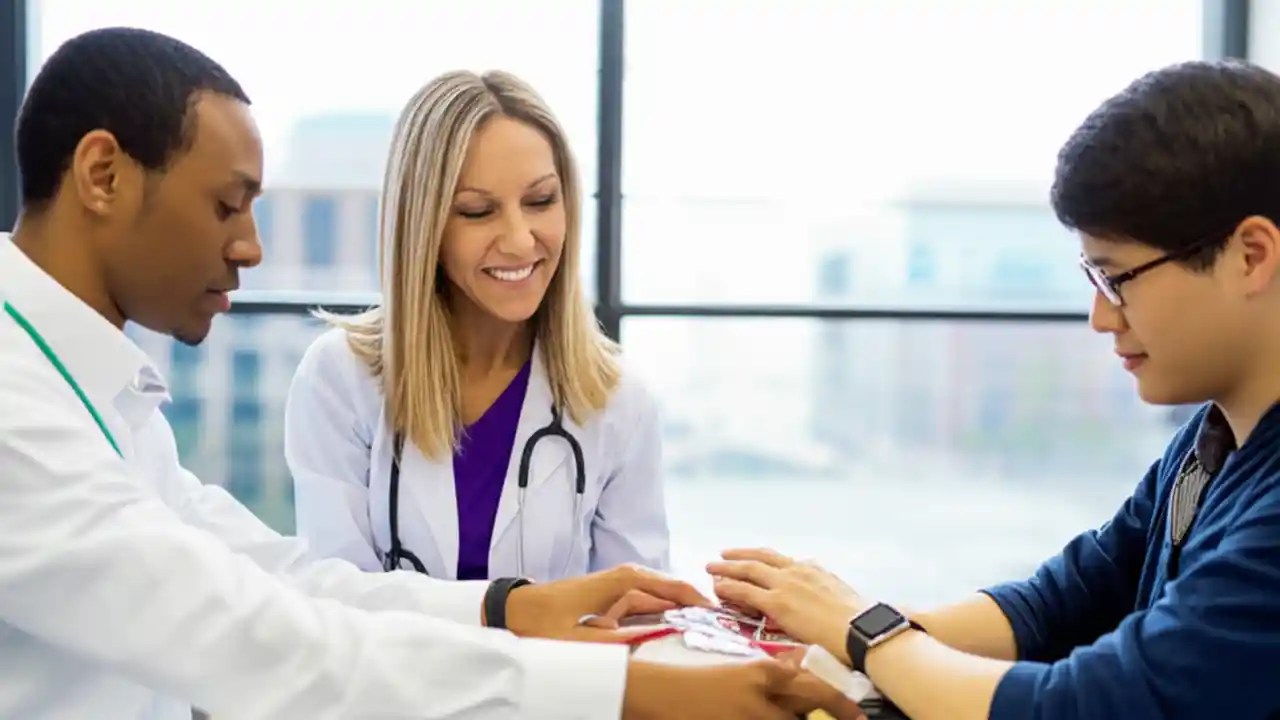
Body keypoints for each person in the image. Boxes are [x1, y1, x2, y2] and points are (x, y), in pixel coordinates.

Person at [0, 26, 863, 720]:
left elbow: (287, 579)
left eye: (540, 201)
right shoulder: (15, 407)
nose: (253, 248)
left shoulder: (100, 396)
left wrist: (507, 609)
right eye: (228, 205)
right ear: (102, 175)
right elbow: (276, 643)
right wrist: (628, 695)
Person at [705, 58, 1280, 720]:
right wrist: (828, 633)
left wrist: (867, 633)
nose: (1102, 317)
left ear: (1251, 256)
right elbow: (1065, 601)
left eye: (1117, 278)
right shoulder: (1213, 438)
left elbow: (1090, 707)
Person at [284, 69, 668, 583]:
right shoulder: (339, 378)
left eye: (540, 202)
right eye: (477, 211)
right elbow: (334, 599)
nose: (519, 240)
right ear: (425, 226)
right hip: (388, 666)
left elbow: (636, 610)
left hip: (563, 668)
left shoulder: (619, 399)